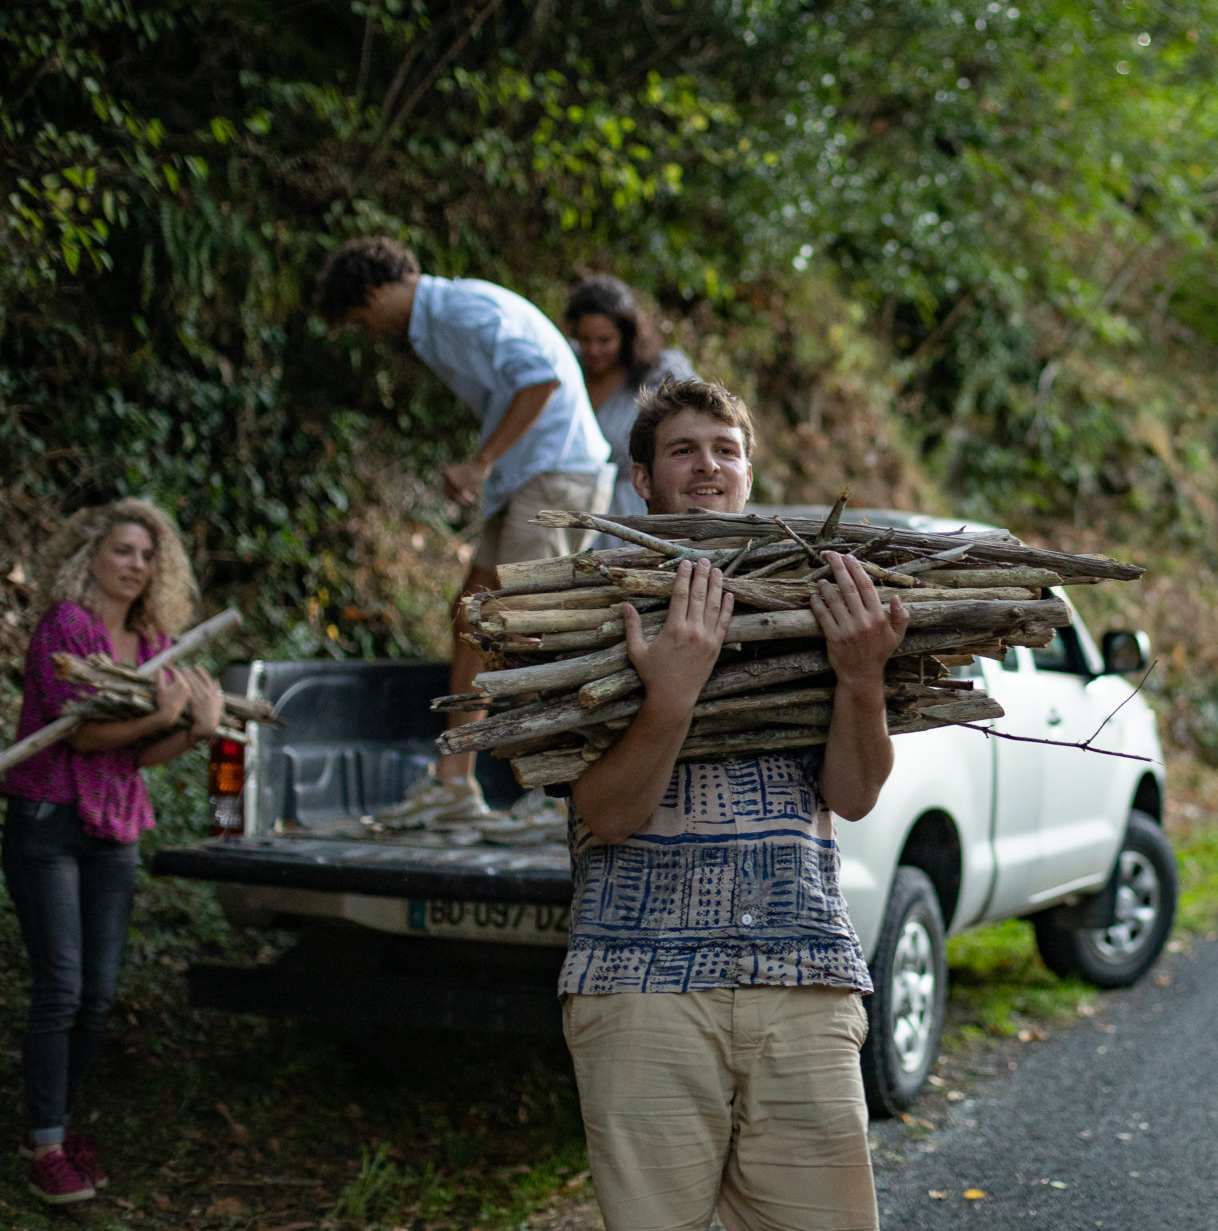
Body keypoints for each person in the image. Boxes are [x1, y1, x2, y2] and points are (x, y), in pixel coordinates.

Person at [561, 377, 907, 1231]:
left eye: (725, 449)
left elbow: (854, 796)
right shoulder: (586, 604)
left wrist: (861, 678)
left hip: (803, 973)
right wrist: (669, 698)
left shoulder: (816, 600)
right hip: (639, 980)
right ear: (641, 477)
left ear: (751, 471)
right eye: (682, 449)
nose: (707, 465)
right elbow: (602, 816)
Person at [314, 238, 615, 826]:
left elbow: (540, 380)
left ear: (376, 293)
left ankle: (564, 786)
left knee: (523, 630)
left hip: (557, 475)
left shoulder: (462, 310)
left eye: (362, 319)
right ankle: (454, 785)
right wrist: (489, 466)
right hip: (528, 476)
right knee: (473, 617)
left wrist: (479, 463)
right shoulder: (442, 320)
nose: (369, 331)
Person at [3, 500, 223, 1206]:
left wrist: (195, 729)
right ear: (90, 553)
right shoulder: (68, 629)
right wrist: (162, 714)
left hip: (114, 827)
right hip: (49, 821)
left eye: (149, 554)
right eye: (125, 549)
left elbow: (141, 756)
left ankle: (58, 1127)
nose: (137, 564)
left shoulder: (158, 643)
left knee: (96, 995)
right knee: (61, 986)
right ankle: (44, 1143)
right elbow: (83, 737)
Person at [565, 273, 694, 522]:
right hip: (572, 506)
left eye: (605, 340)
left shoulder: (657, 374)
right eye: (585, 340)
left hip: (630, 510)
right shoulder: (568, 367)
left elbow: (704, 411)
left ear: (625, 336)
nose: (593, 350)